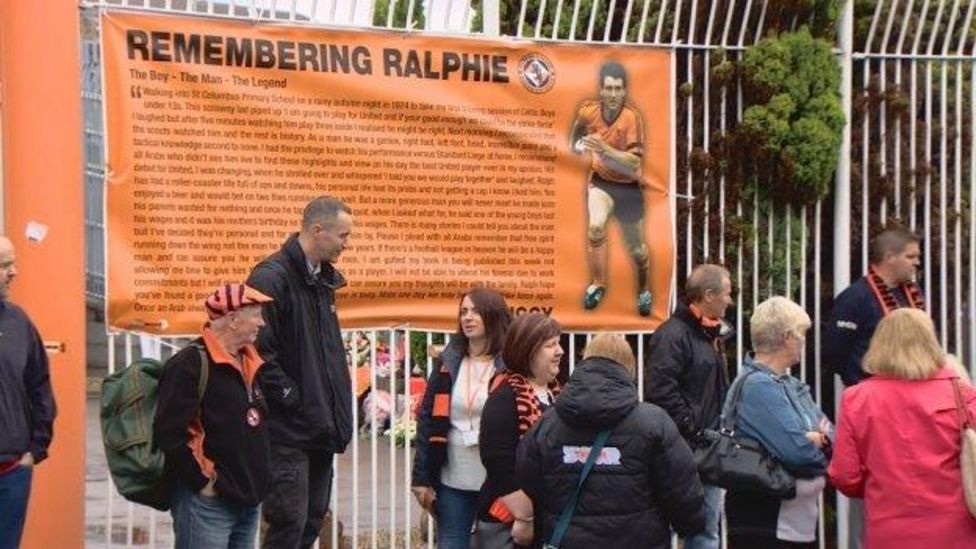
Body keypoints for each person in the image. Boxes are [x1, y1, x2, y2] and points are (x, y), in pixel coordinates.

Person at [517, 333, 705, 548]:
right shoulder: (653, 422)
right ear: (629, 367)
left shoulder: (548, 423)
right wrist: (690, 526)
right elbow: (681, 490)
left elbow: (527, 476)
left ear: (586, 360)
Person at [246, 196, 354, 548]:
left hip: (319, 426)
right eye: (342, 236)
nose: (346, 244)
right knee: (286, 526)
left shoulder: (322, 281)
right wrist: (292, 397)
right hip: (288, 431)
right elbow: (258, 349)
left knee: (309, 523)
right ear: (317, 230)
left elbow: (323, 354)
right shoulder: (271, 277)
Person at [827, 309, 976, 548]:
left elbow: (845, 475)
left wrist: (880, 487)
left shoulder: (857, 398)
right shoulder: (962, 394)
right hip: (957, 530)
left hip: (889, 529)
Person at [154, 283, 274, 549]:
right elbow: (169, 433)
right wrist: (203, 483)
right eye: (255, 314)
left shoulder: (250, 361)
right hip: (208, 503)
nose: (262, 323)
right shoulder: (189, 363)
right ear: (232, 319)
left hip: (247, 501)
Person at [723, 297, 832, 549]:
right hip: (767, 523)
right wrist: (817, 442)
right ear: (787, 337)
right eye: (802, 334)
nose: (804, 341)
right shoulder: (758, 387)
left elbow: (830, 432)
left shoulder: (790, 385)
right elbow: (798, 453)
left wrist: (819, 439)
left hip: (793, 525)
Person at [411, 288, 512, 548]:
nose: (467, 317)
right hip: (452, 478)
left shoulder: (510, 365)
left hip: (499, 480)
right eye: (464, 311)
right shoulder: (448, 362)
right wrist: (421, 477)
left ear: (493, 315)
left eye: (476, 311)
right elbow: (427, 418)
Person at [643, 263, 733, 549]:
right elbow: (660, 391)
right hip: (689, 451)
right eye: (727, 294)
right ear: (709, 295)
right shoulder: (675, 335)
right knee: (702, 532)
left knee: (705, 531)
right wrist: (693, 430)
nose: (730, 301)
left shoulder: (705, 335)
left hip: (702, 448)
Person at [474, 313, 563, 548]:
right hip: (510, 521)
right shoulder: (504, 397)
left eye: (558, 343)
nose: (560, 351)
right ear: (529, 350)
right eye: (550, 345)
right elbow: (498, 461)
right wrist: (525, 517)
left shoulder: (559, 394)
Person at [571, 61, 652, 316]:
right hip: (601, 183)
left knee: (637, 251)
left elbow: (634, 160)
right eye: (609, 88)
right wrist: (576, 145)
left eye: (618, 88)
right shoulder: (589, 111)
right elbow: (576, 129)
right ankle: (598, 285)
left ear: (624, 91)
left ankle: (644, 289)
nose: (614, 94)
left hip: (628, 188)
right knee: (595, 227)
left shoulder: (631, 117)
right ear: (601, 90)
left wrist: (605, 149)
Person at [0, 236, 56, 549]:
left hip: (11, 473)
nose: (15, 272)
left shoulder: (18, 322)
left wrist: (35, 448)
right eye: (5, 265)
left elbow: (40, 386)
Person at [824, 226, 923, 387]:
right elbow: (835, 353)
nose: (917, 262)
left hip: (912, 390)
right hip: (873, 394)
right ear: (890, 257)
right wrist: (862, 382)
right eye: (911, 256)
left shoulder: (913, 293)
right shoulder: (855, 297)